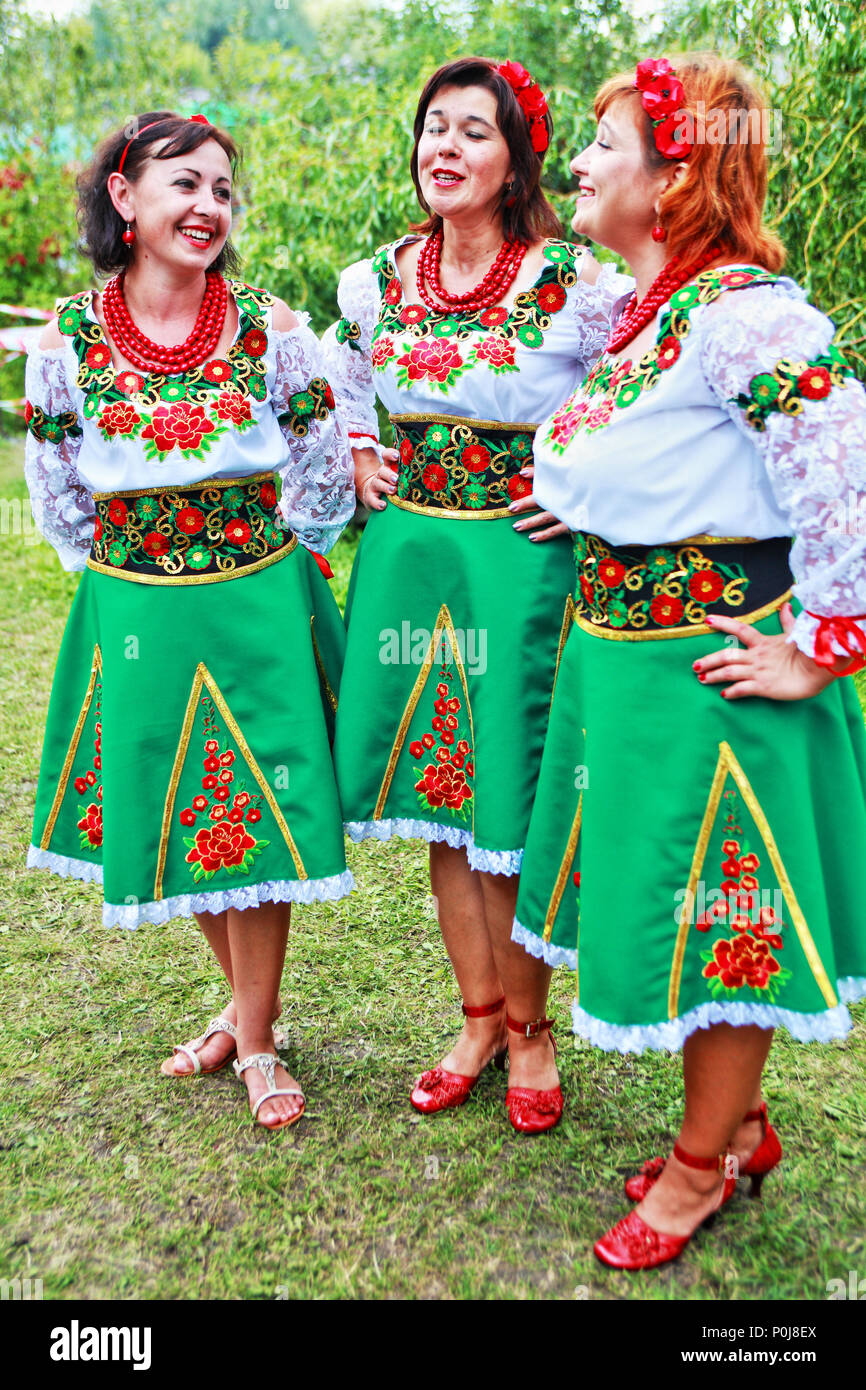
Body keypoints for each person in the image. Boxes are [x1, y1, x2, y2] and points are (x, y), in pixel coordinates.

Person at [512, 51, 866, 1263]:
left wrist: (822, 644)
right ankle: (742, 1127)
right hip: (625, 667)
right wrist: (593, 507)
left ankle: (699, 1168)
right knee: (666, 907)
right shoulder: (649, 319)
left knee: (722, 917)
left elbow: (837, 452)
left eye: (603, 146)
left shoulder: (739, 316)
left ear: (673, 177)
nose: (579, 164)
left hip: (707, 675)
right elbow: (664, 464)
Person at [24, 111, 355, 1130]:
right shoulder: (66, 340)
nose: (208, 205)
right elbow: (56, 488)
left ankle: (254, 1039)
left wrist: (268, 558)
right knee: (183, 812)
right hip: (136, 607)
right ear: (125, 198)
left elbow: (324, 470)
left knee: (256, 818)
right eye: (185, 184)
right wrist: (127, 570)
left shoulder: (272, 328)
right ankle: (248, 1007)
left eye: (221, 189)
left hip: (255, 595)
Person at [322, 57, 631, 1132]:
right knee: (442, 809)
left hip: (520, 568)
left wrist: (585, 495)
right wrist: (362, 452)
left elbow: (636, 400)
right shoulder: (378, 280)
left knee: (506, 801)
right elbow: (345, 381)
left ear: (514, 166)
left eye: (472, 133)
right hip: (413, 560)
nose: (441, 149)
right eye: (431, 129)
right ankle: (476, 1014)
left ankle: (532, 1031)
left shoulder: (580, 288)